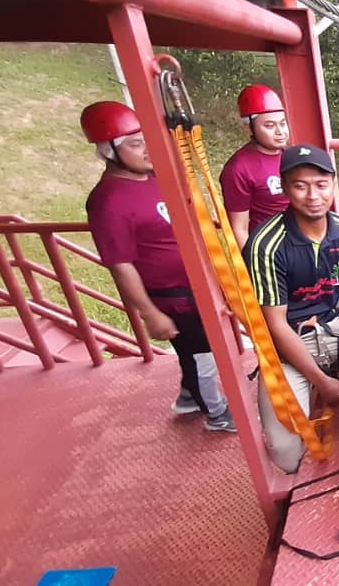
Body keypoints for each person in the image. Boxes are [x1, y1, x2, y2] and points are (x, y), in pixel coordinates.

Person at [80, 101, 235, 433]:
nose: (147, 149)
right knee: (202, 354)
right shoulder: (108, 202)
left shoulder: (155, 177)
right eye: (135, 144)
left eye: (147, 139)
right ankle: (217, 413)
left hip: (196, 284)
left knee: (195, 350)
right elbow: (121, 265)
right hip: (172, 296)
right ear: (108, 151)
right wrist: (150, 313)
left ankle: (189, 397)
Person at [244, 143, 339, 473]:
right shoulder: (267, 244)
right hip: (289, 345)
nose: (313, 196)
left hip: (336, 330)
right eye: (300, 185)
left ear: (334, 185)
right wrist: (323, 383)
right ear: (284, 187)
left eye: (322, 185)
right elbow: (276, 325)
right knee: (284, 449)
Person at [220, 84, 290, 249]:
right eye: (270, 126)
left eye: (283, 123)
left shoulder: (293, 156)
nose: (280, 131)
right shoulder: (238, 169)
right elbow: (239, 228)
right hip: (269, 252)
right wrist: (254, 265)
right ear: (248, 128)